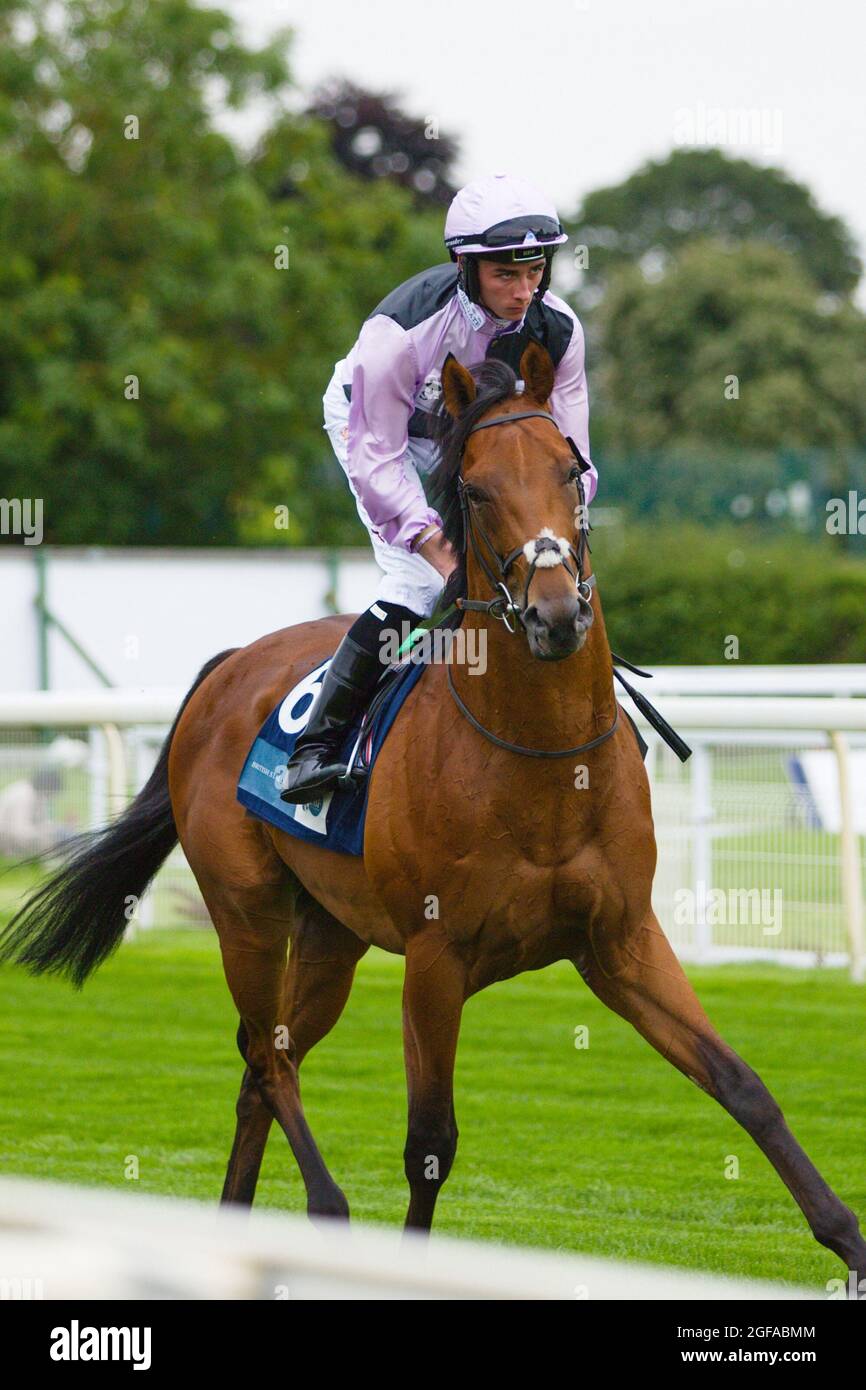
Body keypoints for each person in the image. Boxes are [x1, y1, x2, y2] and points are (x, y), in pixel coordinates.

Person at [280, 171, 598, 804]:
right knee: (424, 583)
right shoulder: (399, 334)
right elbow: (379, 459)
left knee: (552, 571)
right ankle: (314, 745)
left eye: (534, 272)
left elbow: (572, 454)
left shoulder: (560, 331)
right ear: (465, 265)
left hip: (489, 446)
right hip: (385, 432)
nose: (523, 289)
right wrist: (432, 543)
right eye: (505, 274)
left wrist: (562, 533)